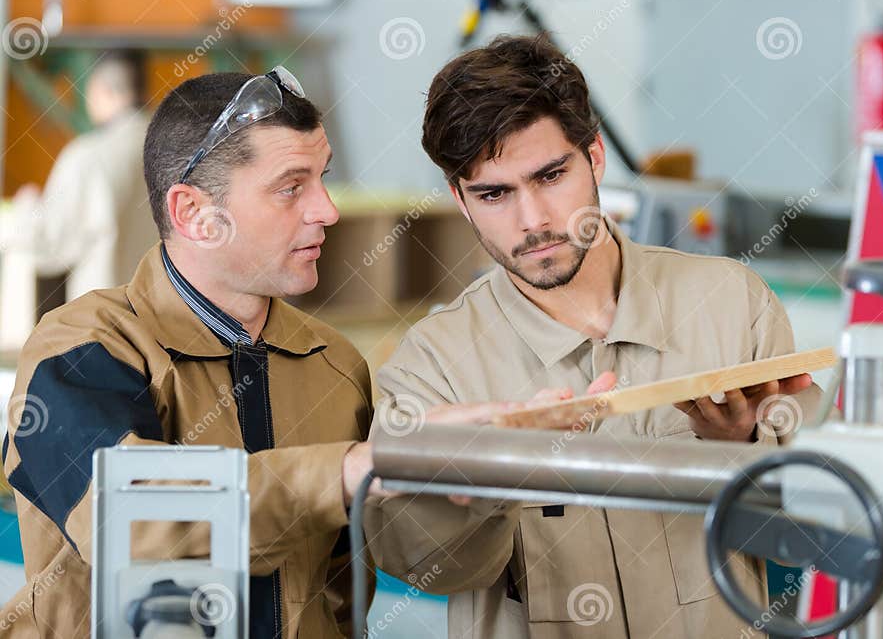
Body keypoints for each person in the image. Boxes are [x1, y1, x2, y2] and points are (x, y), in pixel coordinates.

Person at [1, 66, 575, 639]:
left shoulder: (334, 365)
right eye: (290, 187)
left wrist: (480, 480)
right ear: (194, 214)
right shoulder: (80, 348)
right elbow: (128, 518)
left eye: (322, 178)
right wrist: (355, 467)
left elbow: (343, 598)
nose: (326, 210)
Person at [365, 34, 825, 638]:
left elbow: (811, 541)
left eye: (551, 175)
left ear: (596, 157)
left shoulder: (732, 305)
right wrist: (489, 476)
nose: (533, 222)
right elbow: (422, 567)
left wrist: (741, 451)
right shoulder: (432, 367)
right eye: (494, 194)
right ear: (460, 199)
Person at [2, 50, 158, 302]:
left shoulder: (88, 155)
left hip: (105, 319)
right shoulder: (173, 150)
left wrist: (27, 205)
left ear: (99, 89)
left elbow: (50, 245)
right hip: (164, 318)